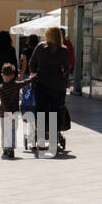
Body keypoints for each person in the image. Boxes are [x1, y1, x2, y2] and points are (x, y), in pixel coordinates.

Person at [28, 25, 70, 154]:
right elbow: (67, 69)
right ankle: (53, 143)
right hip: (57, 87)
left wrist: (35, 74)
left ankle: (41, 144)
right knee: (54, 113)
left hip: (41, 85)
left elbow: (31, 64)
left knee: (41, 114)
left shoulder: (41, 47)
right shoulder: (63, 50)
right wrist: (62, 80)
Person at [0, 61, 21, 159]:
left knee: (5, 131)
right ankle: (11, 148)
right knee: (13, 131)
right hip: (13, 113)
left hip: (4, 113)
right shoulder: (17, 85)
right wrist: (35, 76)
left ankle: (6, 149)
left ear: (2, 74)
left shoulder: (0, 87)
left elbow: (3, 103)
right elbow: (27, 81)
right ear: (13, 75)